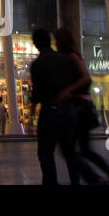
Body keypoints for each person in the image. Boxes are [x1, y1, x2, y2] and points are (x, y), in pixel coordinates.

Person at [55, 28, 109, 184]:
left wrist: (67, 91)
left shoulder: (72, 57)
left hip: (79, 107)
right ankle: (108, 176)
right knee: (83, 149)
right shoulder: (73, 56)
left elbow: (86, 78)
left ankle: (95, 177)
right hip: (82, 106)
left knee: (71, 149)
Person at [28, 29, 90, 185]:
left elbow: (37, 92)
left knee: (45, 153)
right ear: (50, 41)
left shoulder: (37, 64)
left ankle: (51, 182)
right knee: (70, 152)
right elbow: (84, 79)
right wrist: (68, 91)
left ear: (35, 44)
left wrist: (31, 117)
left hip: (49, 110)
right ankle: (76, 181)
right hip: (68, 110)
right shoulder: (65, 59)